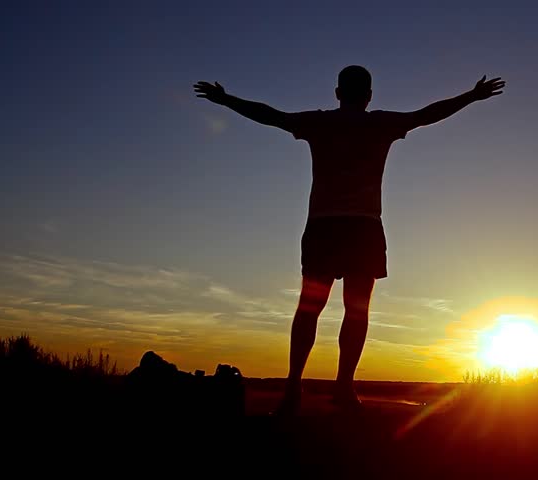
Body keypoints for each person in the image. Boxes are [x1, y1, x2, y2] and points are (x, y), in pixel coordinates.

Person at [194, 66, 504, 414]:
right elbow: (427, 115)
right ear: (369, 96)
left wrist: (226, 100)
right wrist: (471, 96)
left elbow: (270, 116)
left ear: (338, 93)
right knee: (356, 310)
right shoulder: (380, 124)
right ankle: (342, 386)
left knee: (309, 308)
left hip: (325, 227)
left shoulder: (321, 123)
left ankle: (294, 387)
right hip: (363, 227)